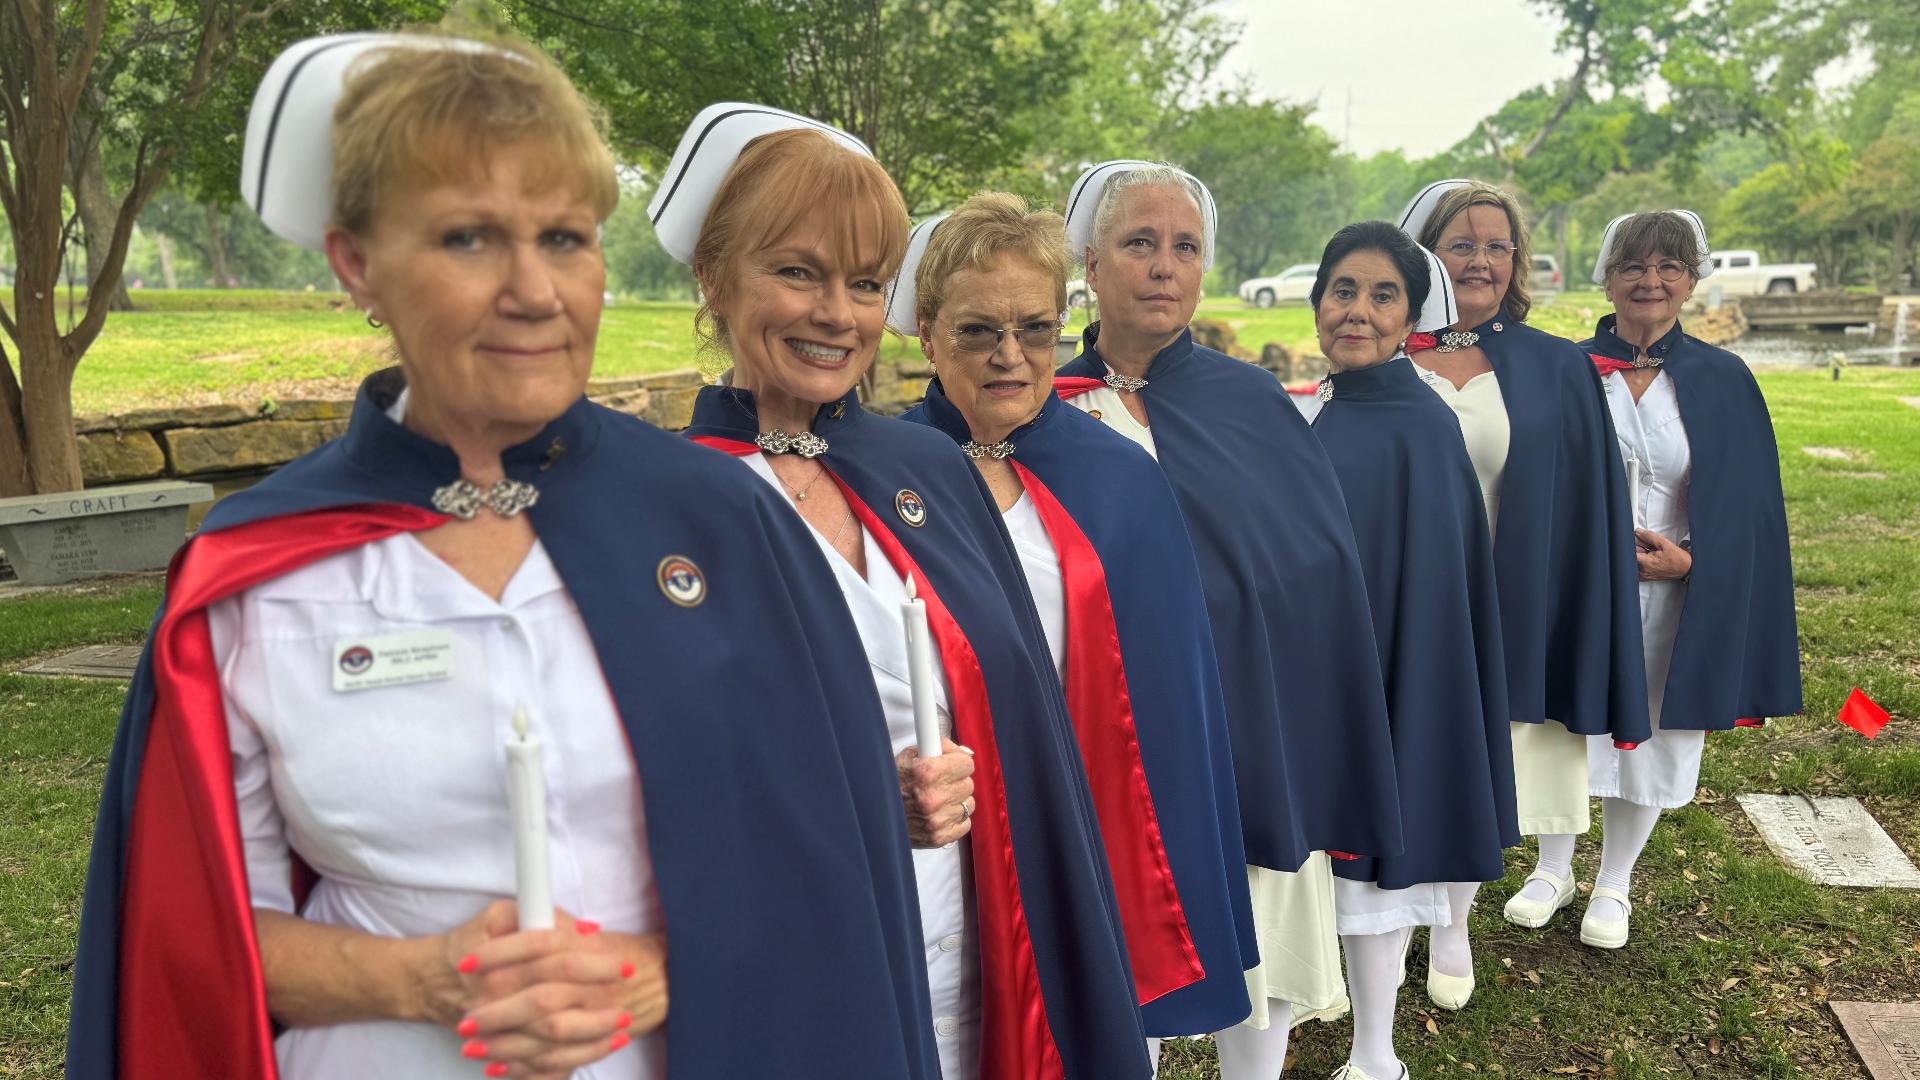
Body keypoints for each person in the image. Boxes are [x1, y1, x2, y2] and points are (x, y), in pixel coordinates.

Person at [67, 33, 942, 1080]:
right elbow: (192, 928)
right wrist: (429, 978)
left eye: (566, 238)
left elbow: (832, 866)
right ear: (356, 261)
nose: (536, 290)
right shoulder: (256, 577)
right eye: (470, 239)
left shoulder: (725, 527)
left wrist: (672, 968)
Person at [657, 104, 1152, 1079]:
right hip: (803, 977)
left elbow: (1029, 731)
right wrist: (864, 805)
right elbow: (648, 782)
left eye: (865, 281)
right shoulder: (660, 504)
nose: (835, 312)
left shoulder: (925, 465)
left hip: (978, 955)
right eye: (796, 271)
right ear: (714, 277)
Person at [890, 193, 1259, 1062]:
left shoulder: (1121, 479)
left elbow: (1172, 708)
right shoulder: (886, 475)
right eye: (979, 331)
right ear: (928, 332)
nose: (1011, 356)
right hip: (947, 835)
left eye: (1036, 327)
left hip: (1097, 820)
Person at [1058, 161, 1405, 1078]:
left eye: (1185, 247)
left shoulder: (1248, 401)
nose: (1164, 266)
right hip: (1112, 747)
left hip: (1252, 731)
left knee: (1261, 954)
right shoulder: (1038, 410)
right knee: (1118, 957)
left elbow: (1319, 572)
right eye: (1140, 243)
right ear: (1090, 262)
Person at [1394, 180, 1650, 1004]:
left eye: (1498, 245)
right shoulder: (1379, 347)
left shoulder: (1553, 367)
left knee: (1488, 768)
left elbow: (1587, 500)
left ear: (1518, 261)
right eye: (1460, 243)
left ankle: (1453, 921)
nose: (1480, 259)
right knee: (1400, 764)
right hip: (1400, 604)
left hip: (1511, 605)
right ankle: (1390, 914)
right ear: (1424, 251)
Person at [1307, 221, 1518, 1080]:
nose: (1357, 311)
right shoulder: (1315, 408)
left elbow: (1429, 584)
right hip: (1321, 668)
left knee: (1378, 868)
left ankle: (1374, 1049)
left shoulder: (1419, 427)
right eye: (1343, 291)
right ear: (1317, 302)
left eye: (1381, 295)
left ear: (1409, 317)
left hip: (1389, 672)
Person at [1574, 210, 1800, 948]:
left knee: (1655, 728)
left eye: (1669, 267)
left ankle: (1614, 883)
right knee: (1563, 726)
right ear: (1607, 276)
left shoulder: (1723, 379)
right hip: (1577, 584)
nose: (1651, 281)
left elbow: (1751, 509)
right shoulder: (1566, 370)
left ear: (1692, 282)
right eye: (1634, 265)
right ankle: (1549, 869)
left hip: (1672, 588)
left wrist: (1694, 562)